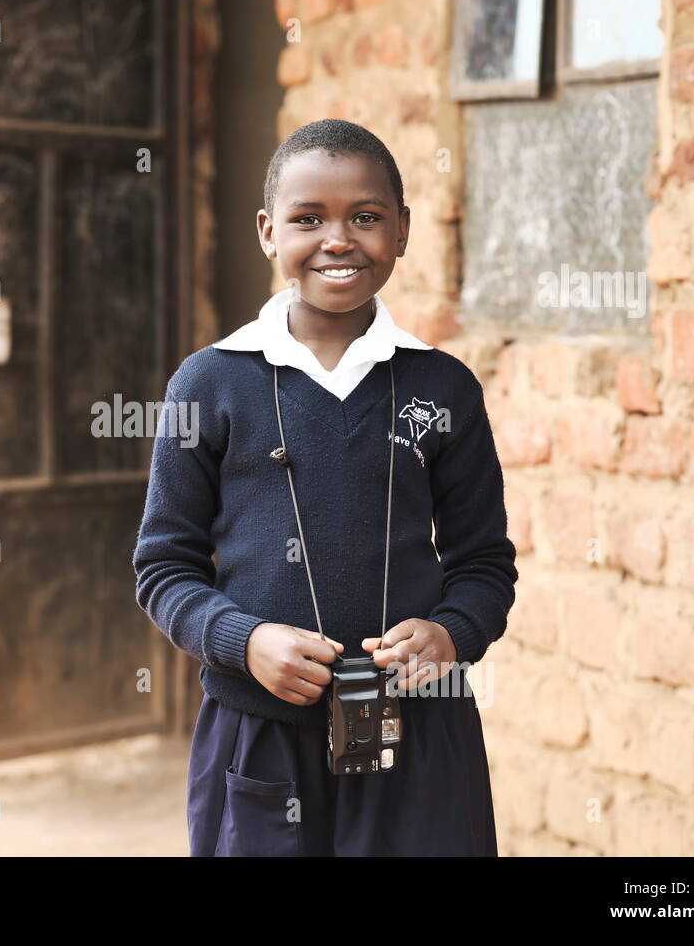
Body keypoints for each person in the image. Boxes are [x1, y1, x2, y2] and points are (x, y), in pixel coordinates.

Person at [132, 119, 518, 856]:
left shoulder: (443, 387)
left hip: (419, 735)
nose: (338, 240)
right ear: (268, 232)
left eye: (365, 217)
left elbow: (484, 564)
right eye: (308, 218)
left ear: (401, 231)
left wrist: (450, 633)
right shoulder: (208, 383)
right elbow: (163, 568)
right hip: (258, 739)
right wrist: (243, 642)